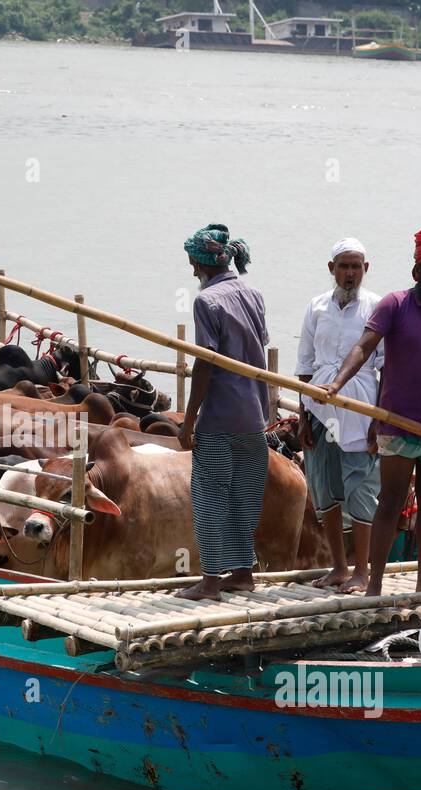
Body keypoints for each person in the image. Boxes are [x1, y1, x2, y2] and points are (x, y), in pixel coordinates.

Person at [321, 225, 421, 596]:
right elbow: (364, 347)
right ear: (417, 273)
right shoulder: (395, 305)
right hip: (398, 423)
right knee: (390, 501)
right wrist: (336, 384)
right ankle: (375, 584)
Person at [176, 224, 270, 601]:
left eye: (192, 265)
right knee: (244, 496)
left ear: (202, 264)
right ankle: (244, 573)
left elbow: (205, 363)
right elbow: (260, 344)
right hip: (254, 414)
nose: (192, 272)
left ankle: (211, 581)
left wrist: (189, 419)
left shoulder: (206, 301)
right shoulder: (253, 293)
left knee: (211, 497)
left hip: (220, 415)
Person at [295, 238, 383, 593]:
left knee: (360, 487)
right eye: (344, 266)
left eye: (356, 266)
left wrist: (379, 419)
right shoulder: (317, 307)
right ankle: (338, 567)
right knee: (324, 487)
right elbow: (304, 364)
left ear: (366, 269)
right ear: (332, 269)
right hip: (318, 405)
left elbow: (386, 367)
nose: (350, 273)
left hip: (361, 408)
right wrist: (303, 416)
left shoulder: (377, 308)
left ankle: (362, 572)